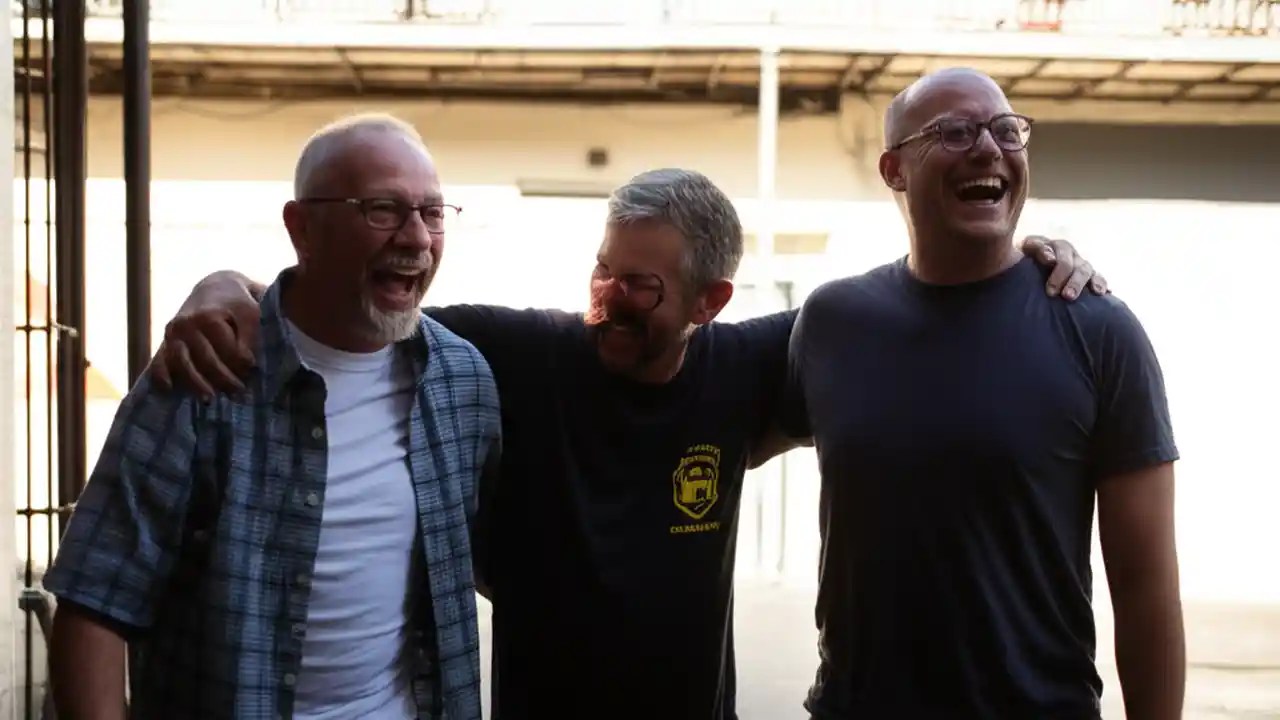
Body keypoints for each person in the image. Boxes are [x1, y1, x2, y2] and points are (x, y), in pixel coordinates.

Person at [149, 153, 1106, 716]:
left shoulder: (754, 367)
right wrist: (228, 285)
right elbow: (357, 303)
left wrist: (1023, 256)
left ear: (710, 300)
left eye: (639, 286)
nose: (606, 301)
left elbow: (916, 310)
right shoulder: (517, 352)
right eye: (603, 270)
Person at [44, 114, 501, 720]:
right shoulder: (205, 375)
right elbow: (95, 601)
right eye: (383, 210)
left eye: (433, 213)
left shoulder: (462, 380)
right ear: (302, 227)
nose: (416, 238)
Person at [782, 67, 1184, 720]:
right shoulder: (833, 323)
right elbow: (723, 421)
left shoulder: (1098, 331)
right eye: (955, 131)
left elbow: (1145, 590)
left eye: (1006, 129)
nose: (989, 148)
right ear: (894, 170)